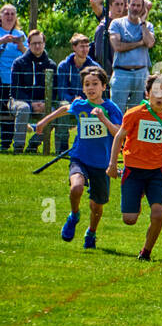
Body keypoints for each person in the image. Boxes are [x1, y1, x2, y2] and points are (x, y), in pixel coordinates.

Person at [32, 67, 122, 248]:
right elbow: (65, 109)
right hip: (80, 157)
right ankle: (74, 215)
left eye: (95, 84)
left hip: (102, 163)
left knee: (97, 206)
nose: (91, 88)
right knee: (76, 188)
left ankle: (91, 232)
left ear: (104, 86)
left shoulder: (111, 108)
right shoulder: (81, 105)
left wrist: (103, 119)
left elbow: (119, 133)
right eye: (87, 84)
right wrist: (44, 121)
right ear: (82, 88)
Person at [107, 73, 162, 260]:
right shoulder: (134, 114)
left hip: (157, 172)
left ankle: (146, 252)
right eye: (155, 91)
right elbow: (119, 137)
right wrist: (111, 164)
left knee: (158, 214)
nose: (159, 96)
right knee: (129, 219)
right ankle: (137, 197)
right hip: (133, 170)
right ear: (147, 93)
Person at [9, 29, 56, 152]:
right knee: (24, 108)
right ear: (28, 45)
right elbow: (15, 90)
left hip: (42, 102)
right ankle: (18, 147)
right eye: (34, 43)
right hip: (18, 100)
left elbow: (54, 90)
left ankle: (33, 145)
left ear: (44, 44)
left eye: (40, 43)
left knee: (53, 112)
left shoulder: (51, 65)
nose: (37, 46)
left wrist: (45, 103)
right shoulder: (19, 63)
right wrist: (31, 103)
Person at [108, 0, 155, 108]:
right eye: (133, 5)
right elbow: (117, 46)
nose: (135, 8)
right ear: (127, 5)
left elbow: (149, 43)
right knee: (117, 111)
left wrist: (142, 23)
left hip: (141, 73)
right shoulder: (117, 23)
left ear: (142, 8)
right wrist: (139, 43)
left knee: (138, 111)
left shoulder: (148, 26)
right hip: (121, 73)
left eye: (139, 6)